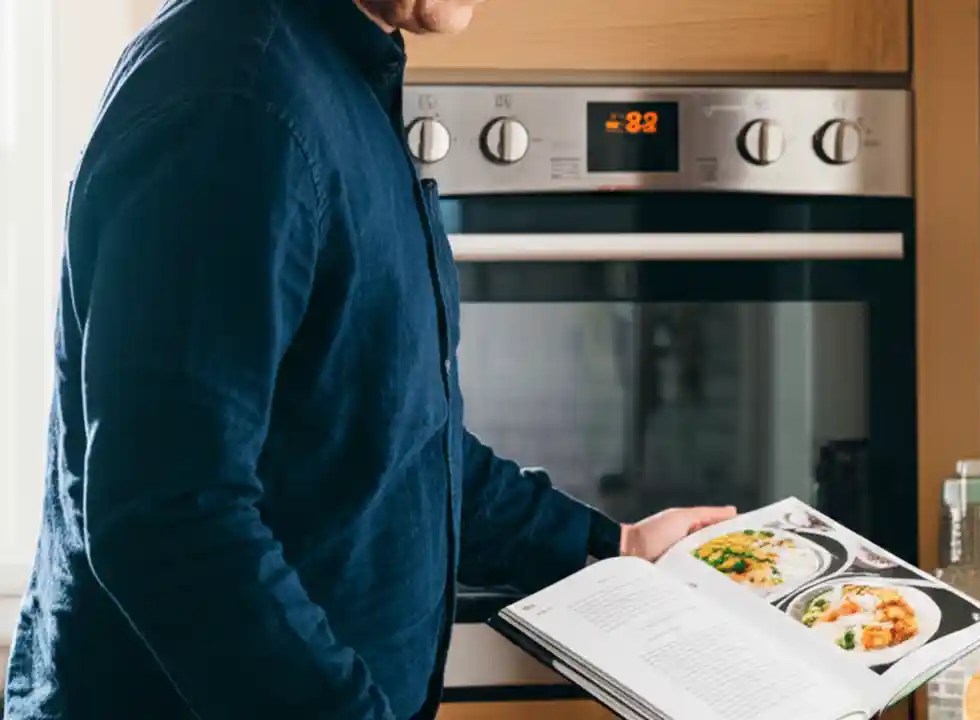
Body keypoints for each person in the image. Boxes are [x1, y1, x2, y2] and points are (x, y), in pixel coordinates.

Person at [1, 0, 736, 717]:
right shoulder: (237, 98)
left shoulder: (335, 75)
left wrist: (613, 547)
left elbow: (398, 439)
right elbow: (170, 517)